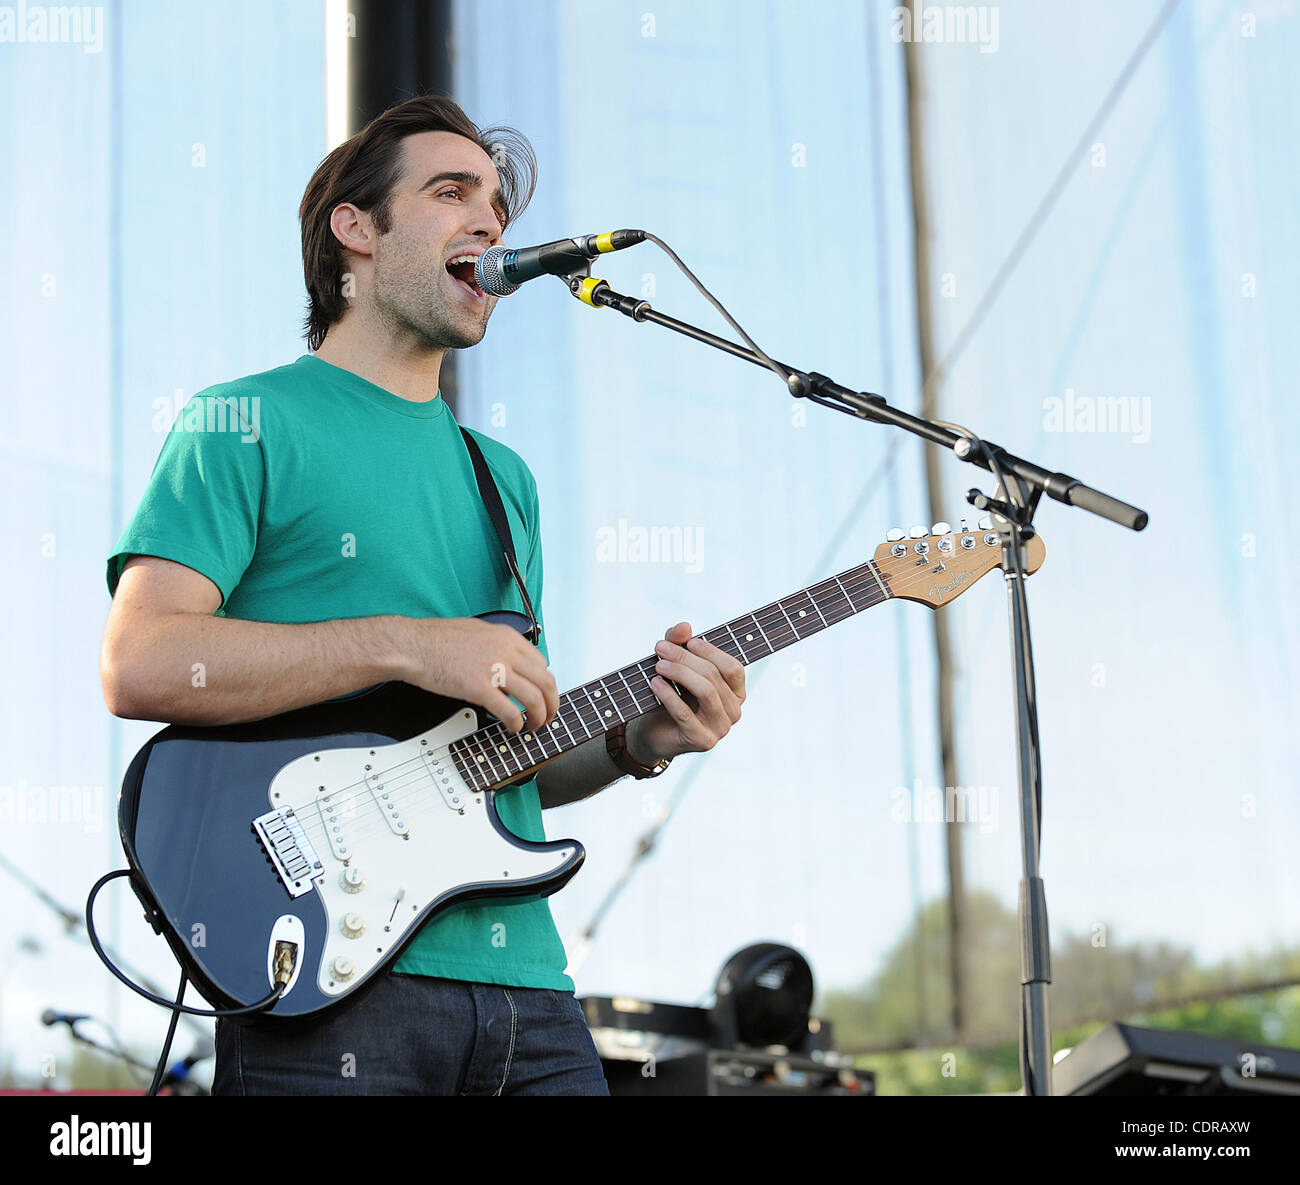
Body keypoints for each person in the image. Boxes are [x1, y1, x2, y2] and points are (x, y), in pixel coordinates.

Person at [98, 94, 747, 1096]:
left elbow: (506, 752)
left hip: (530, 992)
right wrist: (406, 643)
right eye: (451, 193)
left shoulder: (505, 480)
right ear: (354, 231)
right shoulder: (242, 420)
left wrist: (639, 743)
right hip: (325, 986)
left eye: (496, 204)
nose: (489, 224)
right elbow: (140, 663)